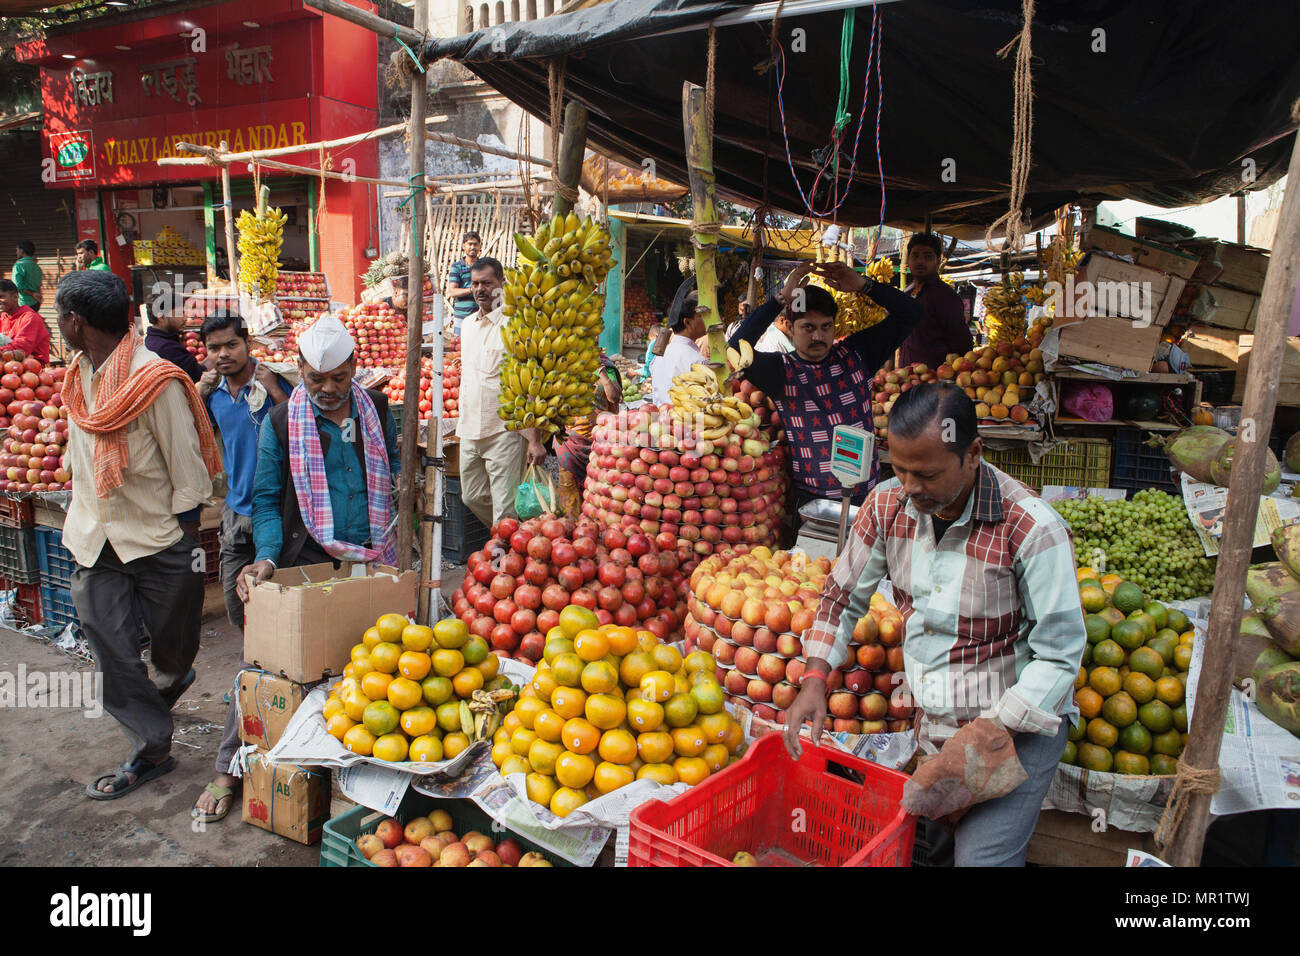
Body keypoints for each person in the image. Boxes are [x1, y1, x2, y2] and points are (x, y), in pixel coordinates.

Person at [784, 383, 1086, 867]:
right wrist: (816, 675)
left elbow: (1059, 655)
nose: (910, 487)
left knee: (981, 860)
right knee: (935, 848)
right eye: (899, 470)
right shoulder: (887, 507)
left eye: (925, 474)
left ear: (973, 453)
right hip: (935, 717)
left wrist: (990, 733)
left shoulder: (1030, 528)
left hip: (1013, 726)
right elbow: (840, 596)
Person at [58, 270, 222, 800]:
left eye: (60, 316)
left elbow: (187, 465)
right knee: (110, 648)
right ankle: (152, 747)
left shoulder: (156, 380)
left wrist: (187, 543)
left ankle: (172, 681)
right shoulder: (76, 376)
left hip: (158, 536)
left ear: (74, 322)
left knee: (175, 650)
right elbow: (78, 452)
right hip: (95, 535)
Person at [191, 310, 291, 824]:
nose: (224, 354)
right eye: (215, 348)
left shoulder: (275, 386)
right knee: (240, 616)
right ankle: (256, 684)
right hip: (236, 513)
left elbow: (298, 430)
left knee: (260, 639)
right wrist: (197, 389)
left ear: (247, 344)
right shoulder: (210, 395)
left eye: (232, 345)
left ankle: (233, 756)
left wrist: (277, 391)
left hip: (277, 515)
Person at [728, 260, 922, 509]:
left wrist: (865, 285)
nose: (818, 336)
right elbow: (734, 348)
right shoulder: (780, 370)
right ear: (790, 326)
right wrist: (780, 299)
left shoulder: (858, 353)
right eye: (808, 327)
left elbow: (912, 313)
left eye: (825, 327)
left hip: (866, 498)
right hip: (813, 502)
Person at [239, 314, 401, 596]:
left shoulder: (377, 408)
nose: (328, 389)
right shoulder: (279, 422)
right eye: (316, 378)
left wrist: (402, 481)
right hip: (310, 558)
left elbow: (392, 460)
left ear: (352, 367)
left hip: (374, 551)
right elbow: (266, 499)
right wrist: (266, 556)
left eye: (339, 378)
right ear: (300, 368)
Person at [457, 256, 546, 528]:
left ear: (501, 284)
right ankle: (513, 534)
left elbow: (532, 381)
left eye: (487, 283)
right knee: (470, 496)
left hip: (504, 432)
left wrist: (535, 438)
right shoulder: (468, 325)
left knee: (503, 512)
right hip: (469, 428)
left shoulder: (515, 324)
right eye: (474, 284)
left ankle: (503, 559)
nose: (480, 289)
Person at [898, 234, 973, 369]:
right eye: (915, 256)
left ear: (938, 261)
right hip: (905, 379)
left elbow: (963, 343)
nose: (920, 261)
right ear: (908, 261)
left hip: (934, 382)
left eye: (928, 256)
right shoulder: (907, 294)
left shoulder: (945, 297)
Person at [648, 278, 706, 407]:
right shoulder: (696, 361)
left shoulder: (659, 358)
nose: (706, 321)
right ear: (687, 322)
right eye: (701, 317)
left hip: (661, 419)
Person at [144, 303, 204, 382]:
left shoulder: (152, 339)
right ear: (161, 317)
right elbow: (199, 375)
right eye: (180, 313)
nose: (185, 318)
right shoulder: (167, 348)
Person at [0, 278, 51, 362]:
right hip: (10, 364)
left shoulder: (30, 318)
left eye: (1, 297)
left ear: (15, 297)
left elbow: (22, 347)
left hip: (33, 368)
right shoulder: (3, 317)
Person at [445, 231, 482, 335]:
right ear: (464, 246)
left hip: (480, 316)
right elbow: (452, 292)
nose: (472, 247)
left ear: (479, 246)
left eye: (475, 244)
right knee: (460, 348)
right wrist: (471, 289)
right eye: (469, 244)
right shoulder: (457, 267)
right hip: (462, 317)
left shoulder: (483, 267)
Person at [12, 240, 42, 310]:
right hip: (36, 303)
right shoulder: (36, 266)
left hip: (23, 303)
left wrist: (32, 294)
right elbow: (38, 285)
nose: (16, 252)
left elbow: (17, 286)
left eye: (17, 250)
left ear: (22, 251)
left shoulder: (19, 265)